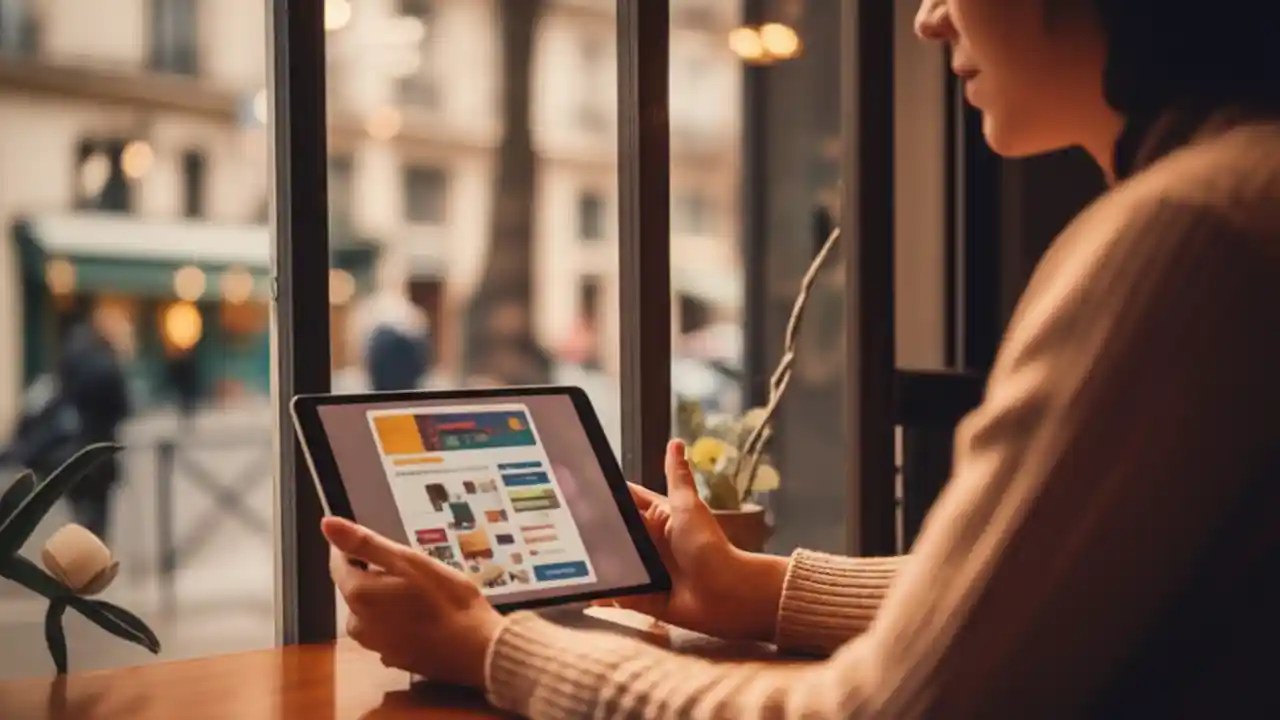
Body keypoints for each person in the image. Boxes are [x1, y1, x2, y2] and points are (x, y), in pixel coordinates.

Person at [322, 0, 1280, 716]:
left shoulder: (1190, 233)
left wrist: (494, 647)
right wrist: (758, 591)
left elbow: (877, 711)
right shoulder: (1242, 190)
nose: (928, 20)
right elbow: (1050, 583)